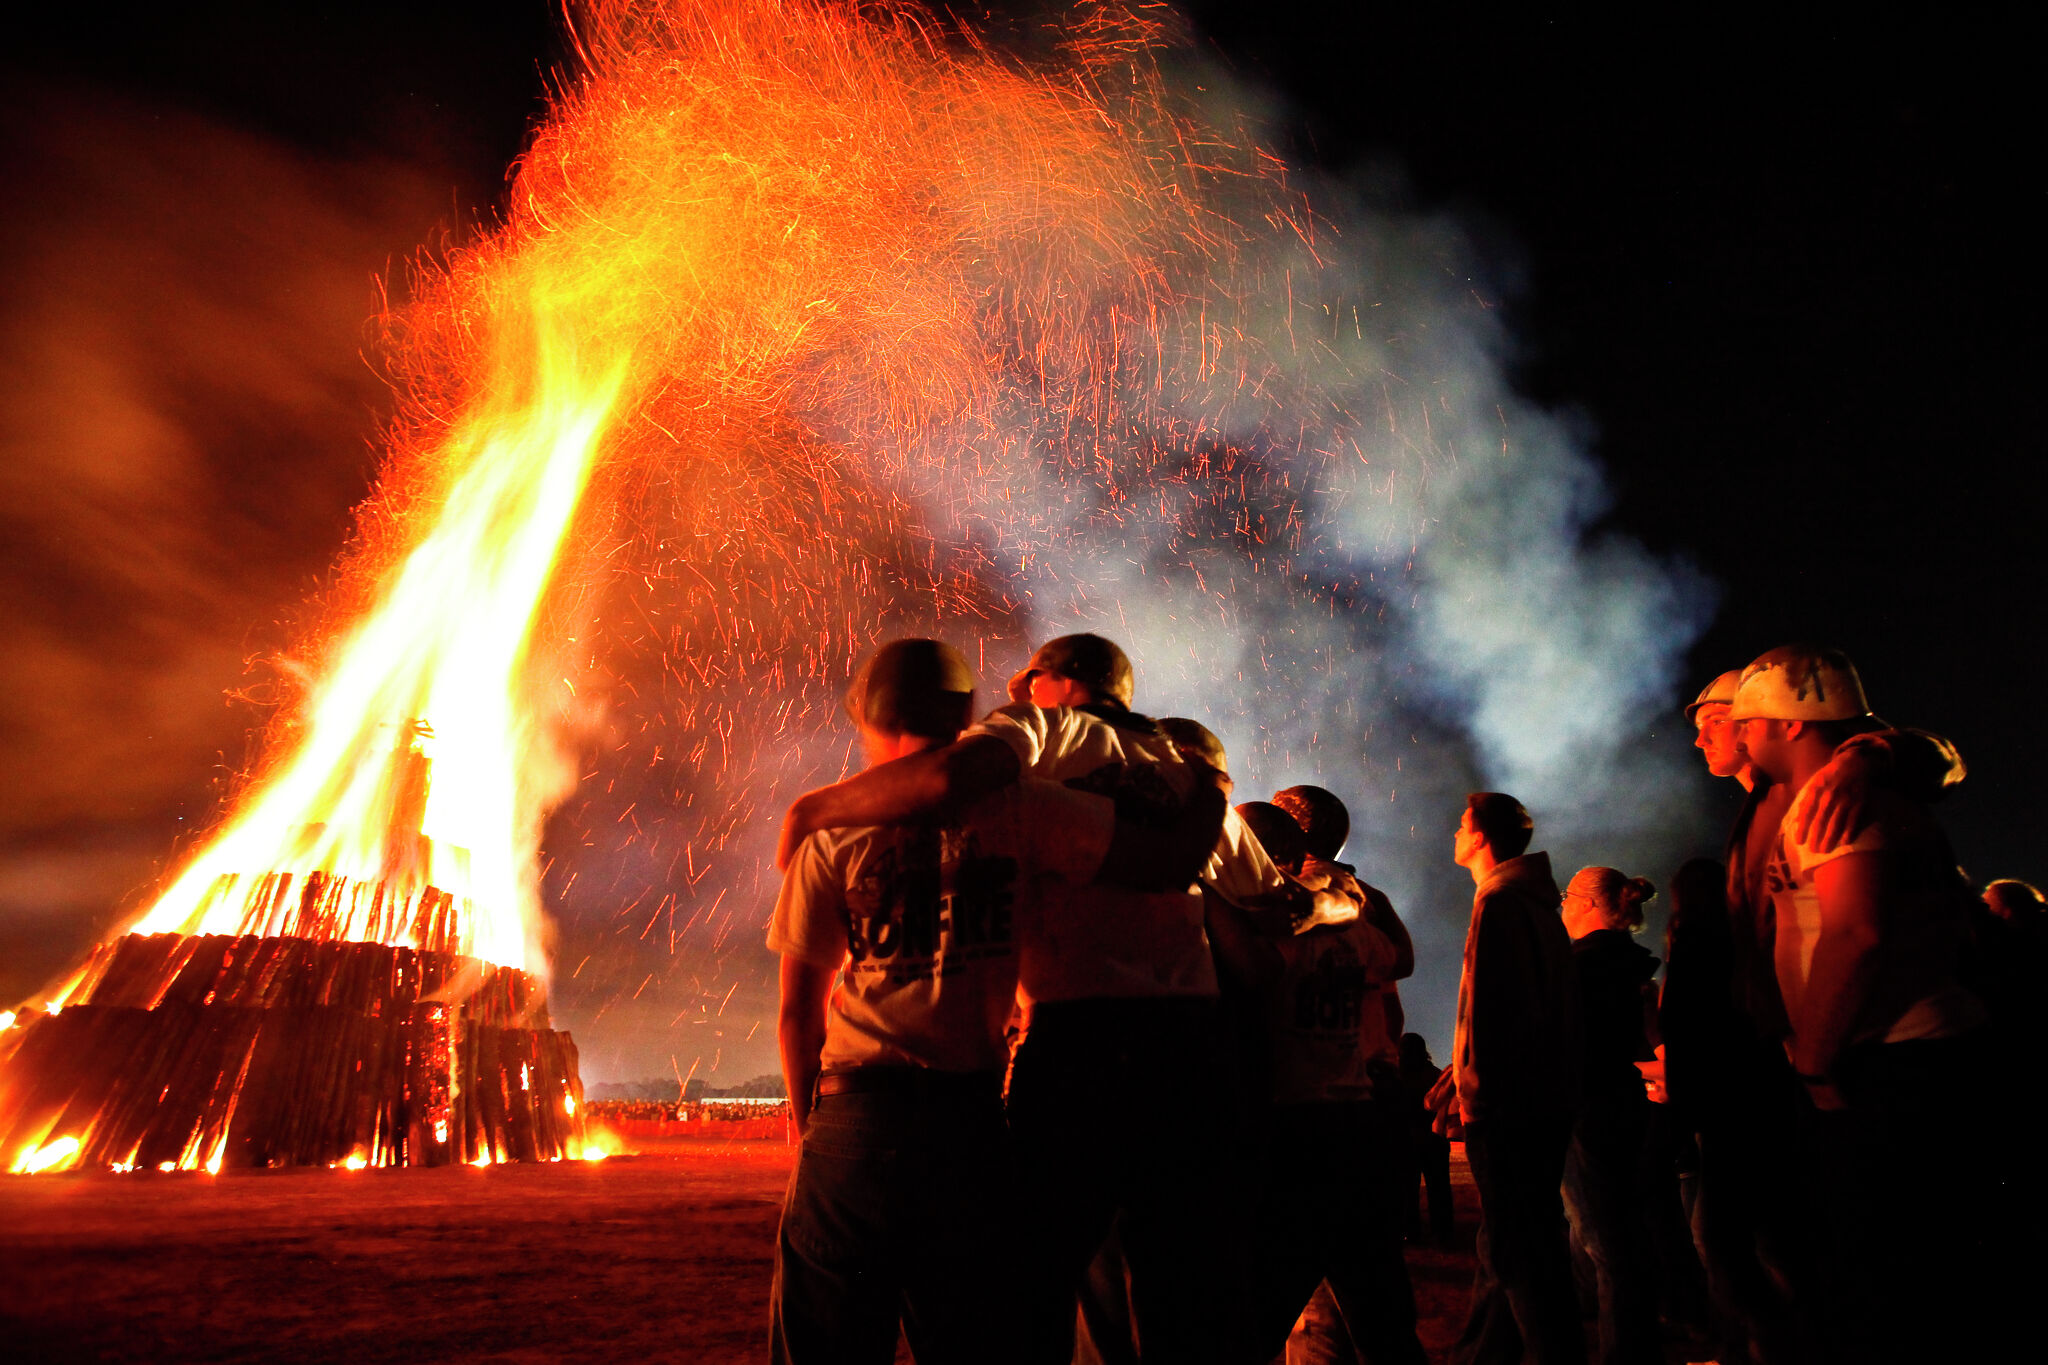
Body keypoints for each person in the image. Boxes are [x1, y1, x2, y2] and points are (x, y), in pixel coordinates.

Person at [777, 633, 1342, 1362]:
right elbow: (1259, 900)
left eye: (1028, 680)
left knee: (1035, 1284)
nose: (1015, 693)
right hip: (1187, 1052)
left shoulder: (1036, 742)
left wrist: (810, 810)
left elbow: (949, 777)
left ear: (1062, 683)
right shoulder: (1181, 770)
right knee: (1188, 1289)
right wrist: (1220, 807)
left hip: (1073, 1044)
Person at [1730, 643, 1996, 1365]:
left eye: (1743, 720)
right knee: (1854, 1271)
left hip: (1887, 1066)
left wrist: (1814, 1063)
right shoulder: (1793, 797)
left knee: (1886, 1283)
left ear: (1787, 725)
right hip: (1863, 1063)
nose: (1727, 731)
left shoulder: (1838, 797)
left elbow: (1857, 932)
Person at [1230, 798, 1427, 1365]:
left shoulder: (1274, 922)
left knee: (1263, 1310)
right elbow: (1401, 957)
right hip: (1356, 1120)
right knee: (1378, 1309)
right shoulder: (1356, 913)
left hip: (1295, 1130)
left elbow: (1250, 969)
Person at [1427, 793, 1584, 1365]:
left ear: (1481, 838)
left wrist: (1477, 1094)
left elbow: (1496, 1010)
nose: (1454, 834)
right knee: (1508, 1245)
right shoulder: (1534, 901)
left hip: (1510, 1112)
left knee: (1522, 1254)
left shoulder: (1500, 902)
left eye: (1461, 825)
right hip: (1541, 1100)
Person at [1558, 867, 1663, 1365]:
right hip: (1625, 1102)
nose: (1562, 904)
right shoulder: (1630, 965)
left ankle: (1628, 1352)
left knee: (1608, 1242)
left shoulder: (1581, 967)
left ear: (1590, 906)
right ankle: (1584, 1324)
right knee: (1596, 1229)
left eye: (1568, 896)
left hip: (1585, 1109)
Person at [1399, 1033, 1454, 1247]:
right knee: (1439, 1188)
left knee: (1408, 1191)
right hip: (1435, 1141)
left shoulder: (1398, 1078)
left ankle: (1411, 1232)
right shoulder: (1437, 1076)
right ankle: (1443, 1232)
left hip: (1407, 1142)